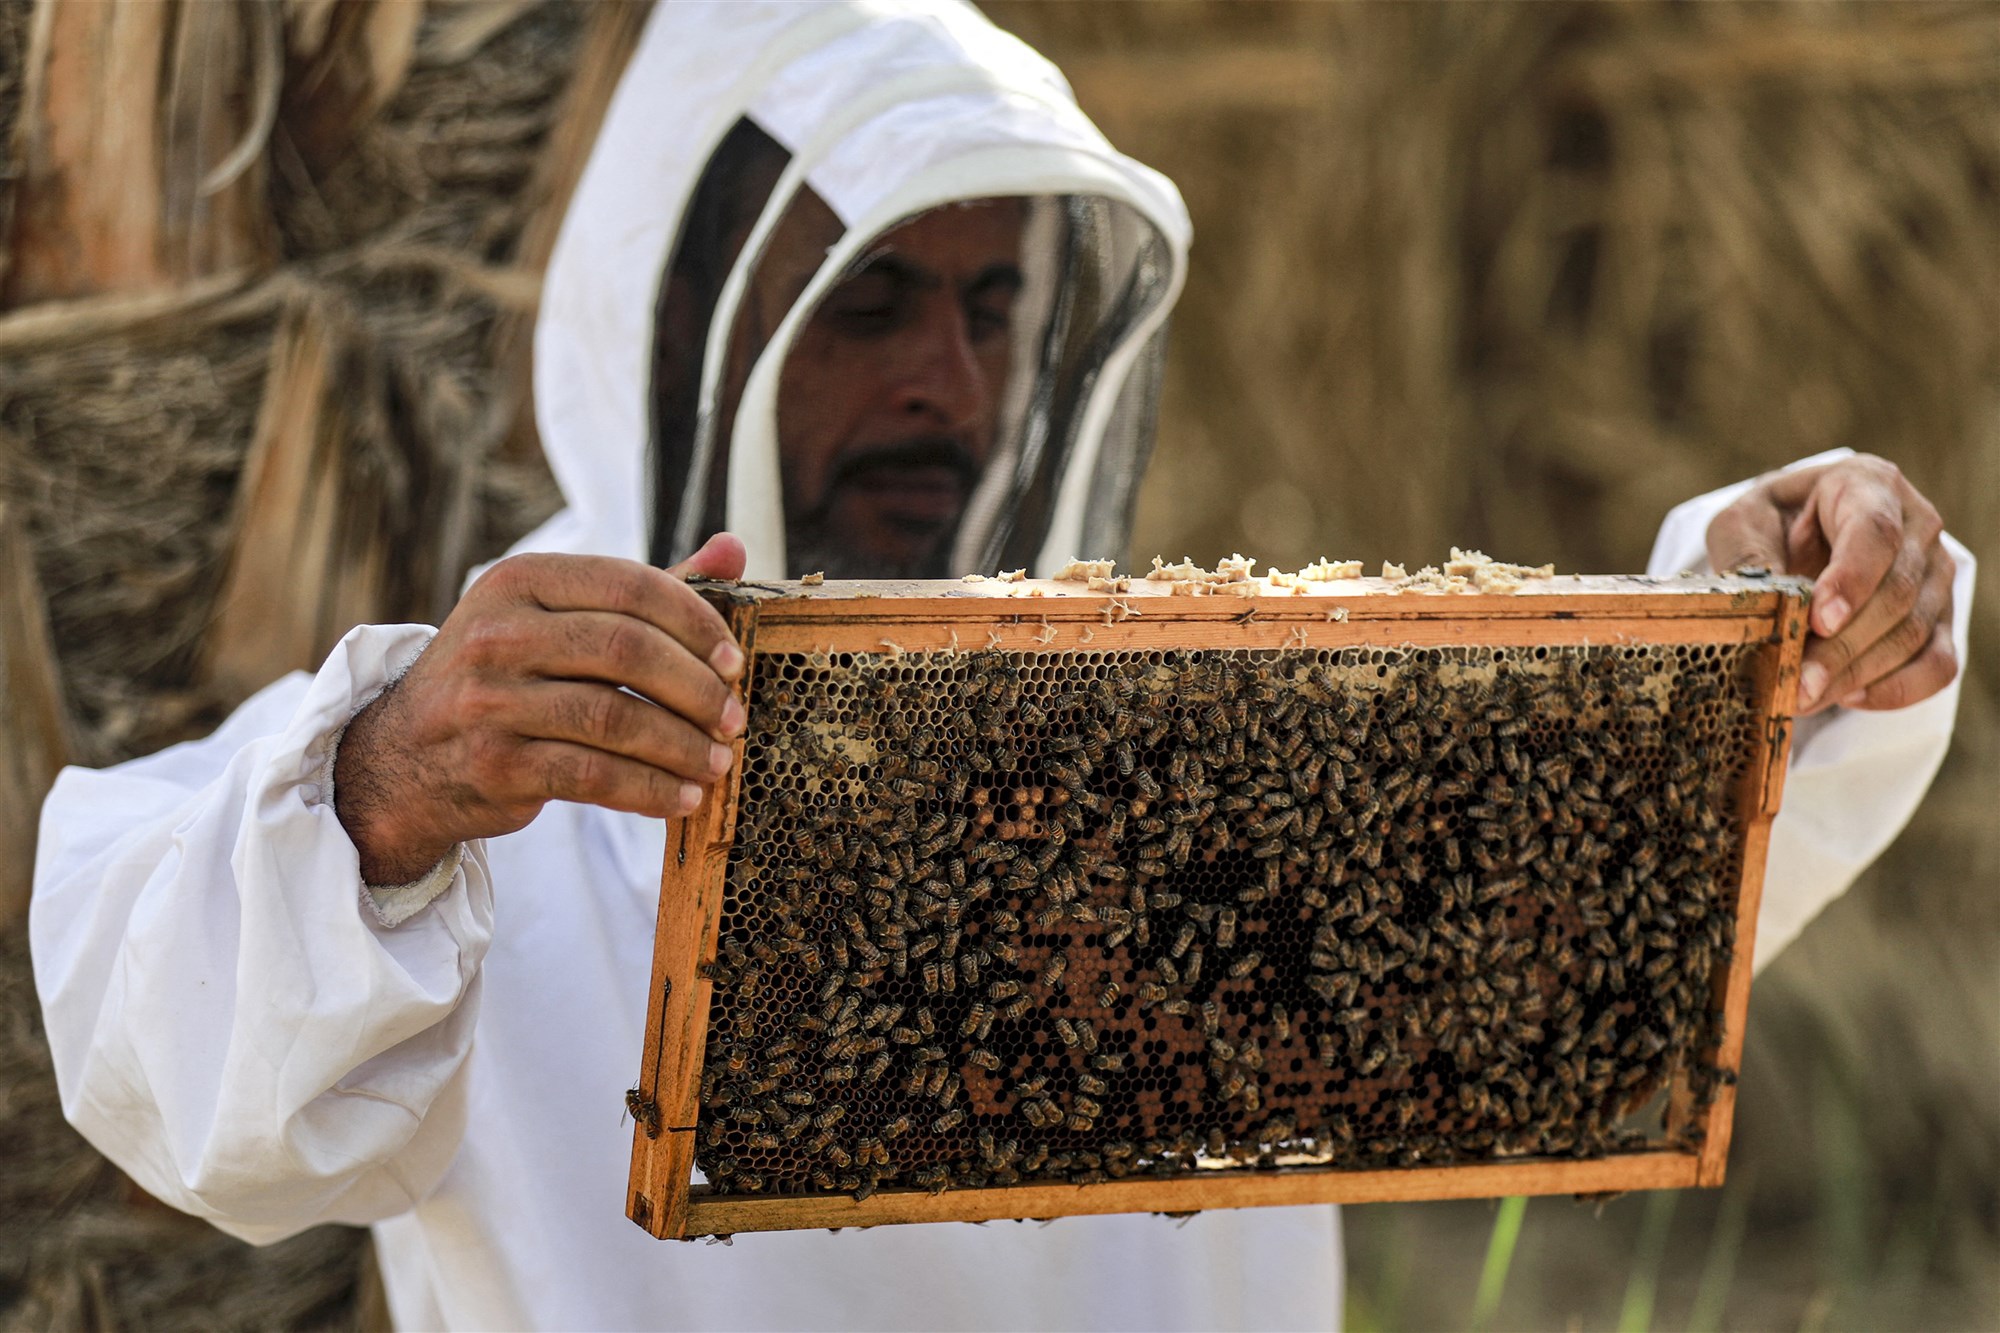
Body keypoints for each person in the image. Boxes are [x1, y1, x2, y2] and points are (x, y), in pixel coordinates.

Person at [29, 3, 1973, 1331]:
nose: (945, 387)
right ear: (687, 315)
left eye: (989, 306)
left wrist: (1775, 631)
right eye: (867, 304)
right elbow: (169, 1041)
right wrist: (378, 791)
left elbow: (1591, 890)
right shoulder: (507, 730)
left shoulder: (1177, 736)